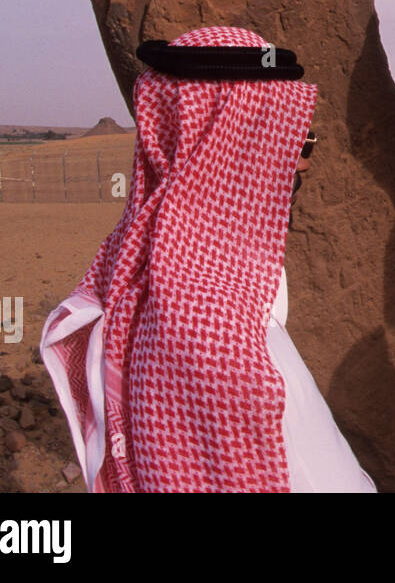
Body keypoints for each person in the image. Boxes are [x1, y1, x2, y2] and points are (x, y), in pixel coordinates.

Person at [41, 26, 377, 492]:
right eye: (294, 142)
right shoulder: (201, 322)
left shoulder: (159, 271)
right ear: (238, 144)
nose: (302, 163)